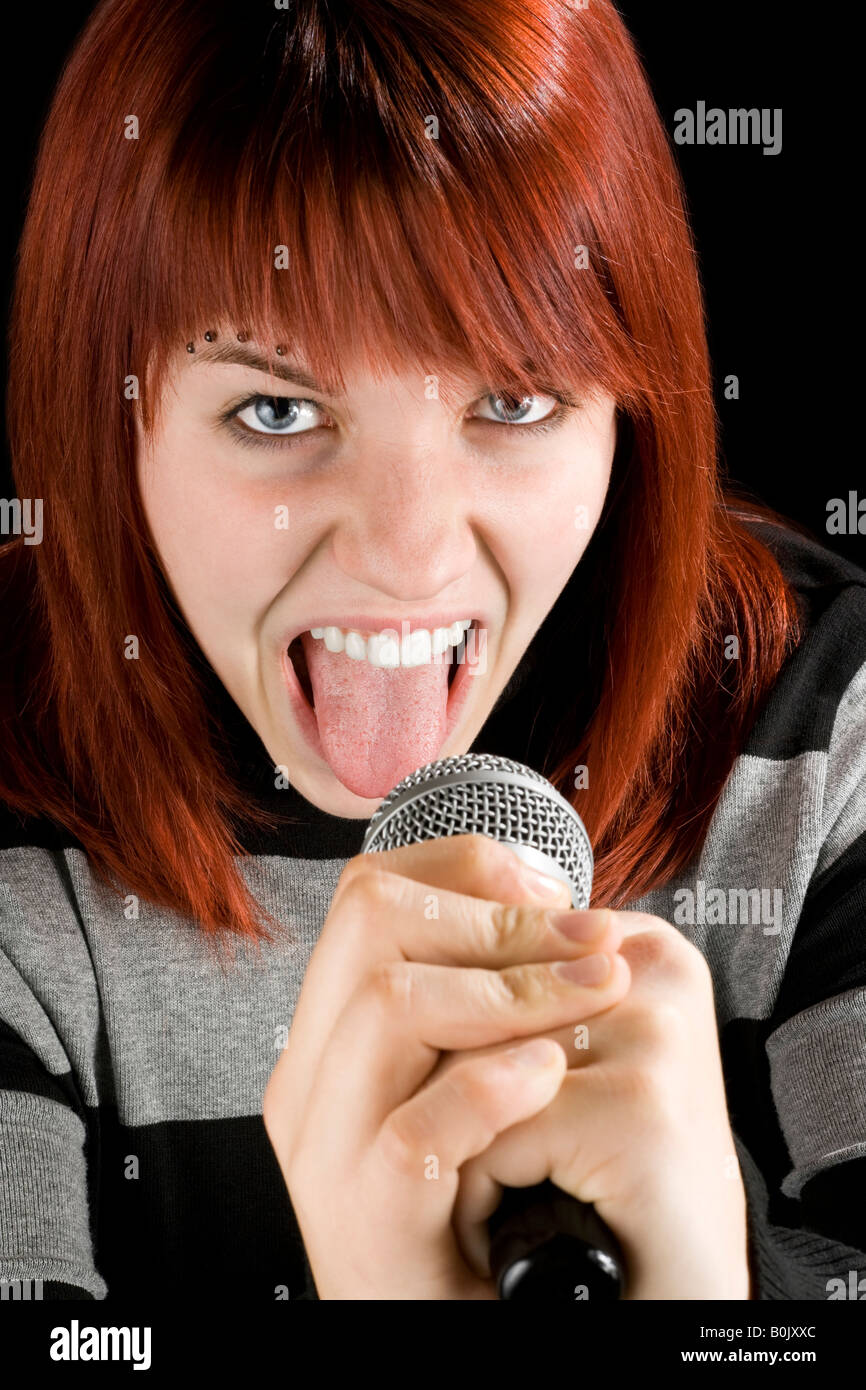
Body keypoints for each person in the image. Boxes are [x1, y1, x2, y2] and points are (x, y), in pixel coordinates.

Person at [1, 0, 863, 1301]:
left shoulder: (820, 718)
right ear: (107, 412)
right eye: (275, 406)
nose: (406, 556)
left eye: (512, 400)